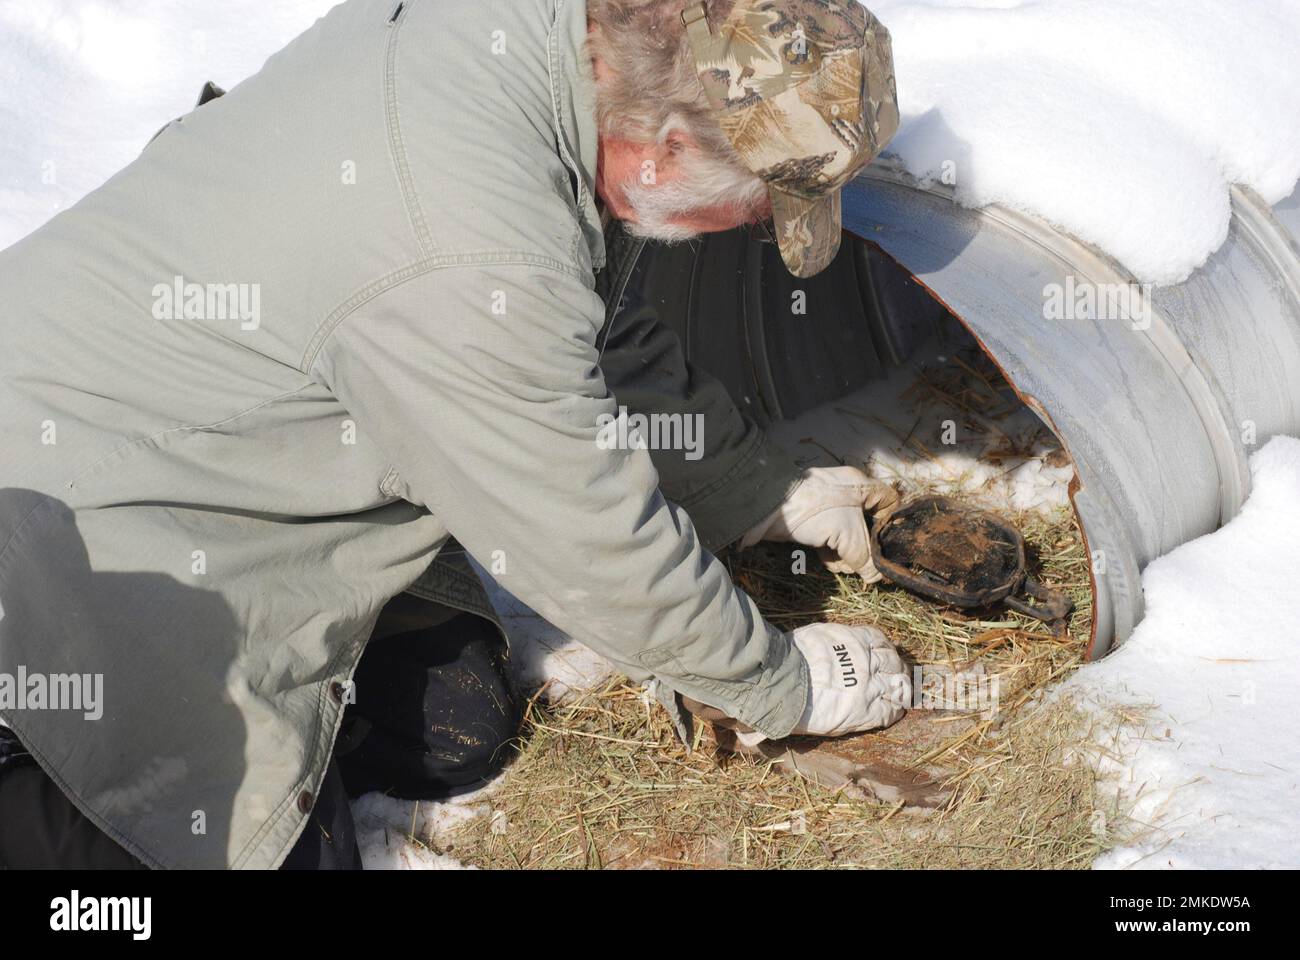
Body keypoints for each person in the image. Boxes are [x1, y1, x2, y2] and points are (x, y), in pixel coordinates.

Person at [0, 0, 905, 869]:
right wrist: (779, 685)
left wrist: (749, 488)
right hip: (81, 530)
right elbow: (572, 518)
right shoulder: (464, 246)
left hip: (206, 427)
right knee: (197, 831)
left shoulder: (548, 49)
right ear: (666, 151)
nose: (754, 228)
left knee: (453, 733)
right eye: (757, 206)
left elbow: (571, 312)